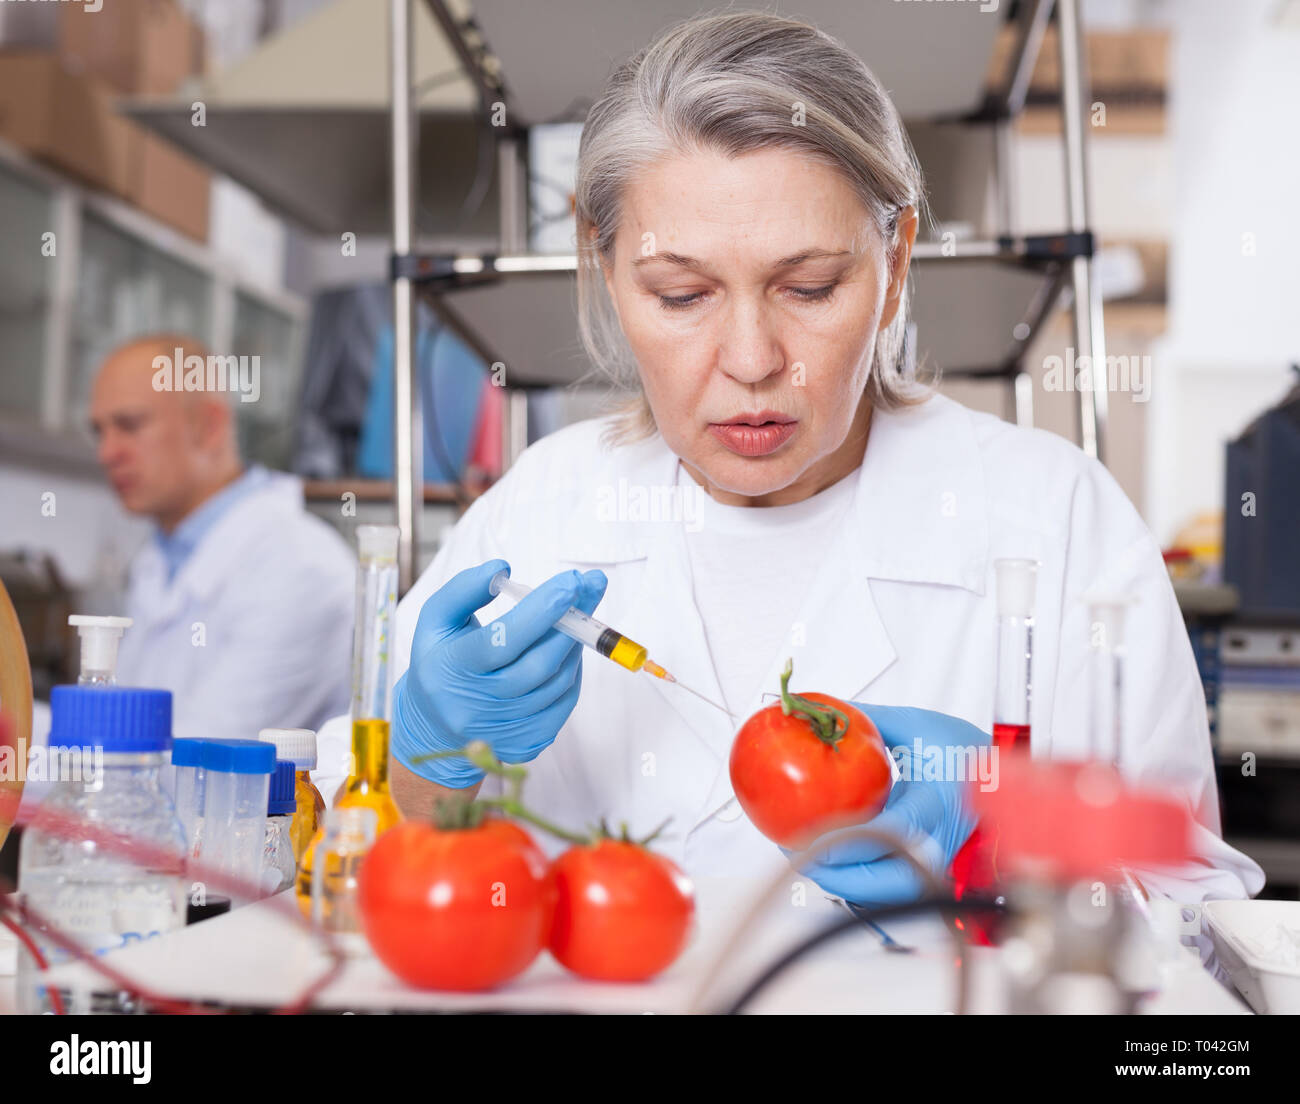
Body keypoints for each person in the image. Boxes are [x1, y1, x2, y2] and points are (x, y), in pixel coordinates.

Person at [375, 12, 1262, 921]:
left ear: (896, 260)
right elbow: (351, 873)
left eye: (809, 288)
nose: (753, 359)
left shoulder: (1057, 517)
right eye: (681, 294)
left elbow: (1199, 918)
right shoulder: (538, 511)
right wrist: (424, 766)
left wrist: (1011, 845)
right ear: (605, 265)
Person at [90, 334, 355, 743]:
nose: (107, 453)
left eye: (130, 425)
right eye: (99, 431)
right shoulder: (157, 558)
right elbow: (113, 723)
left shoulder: (302, 566)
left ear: (209, 426)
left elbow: (205, 756)